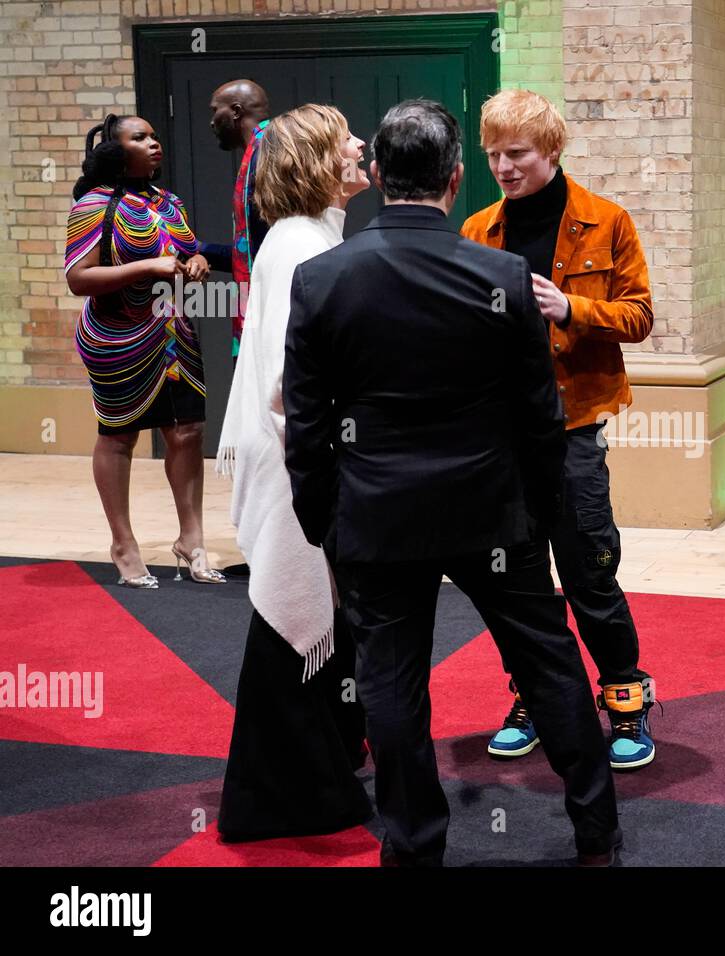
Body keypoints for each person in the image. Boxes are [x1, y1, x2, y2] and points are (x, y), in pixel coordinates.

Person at [282, 99, 621, 866]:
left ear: (374, 176)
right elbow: (540, 415)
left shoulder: (321, 278)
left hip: (376, 517)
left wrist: (324, 522)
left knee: (391, 689)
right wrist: (538, 509)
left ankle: (413, 848)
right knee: (549, 662)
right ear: (458, 176)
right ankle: (596, 831)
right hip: (493, 512)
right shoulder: (501, 274)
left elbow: (306, 423)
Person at [461, 89, 659, 771]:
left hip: (574, 428)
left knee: (590, 573)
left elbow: (639, 316)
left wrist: (569, 305)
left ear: (552, 149)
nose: (504, 167)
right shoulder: (478, 230)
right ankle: (538, 699)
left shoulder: (607, 221)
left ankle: (626, 702)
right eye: (492, 155)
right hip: (502, 436)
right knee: (518, 582)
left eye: (516, 153)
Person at [216, 105, 373, 843]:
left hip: (299, 457)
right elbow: (289, 384)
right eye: (344, 139)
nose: (360, 146)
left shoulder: (303, 237)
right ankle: (283, 796)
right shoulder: (302, 246)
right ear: (314, 161)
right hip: (296, 467)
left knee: (318, 635)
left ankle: (325, 767)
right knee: (292, 628)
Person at [64, 114, 225, 589]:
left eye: (154, 136)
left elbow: (190, 249)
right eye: (140, 138)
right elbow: (78, 277)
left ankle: (191, 540)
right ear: (115, 151)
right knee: (119, 436)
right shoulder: (93, 205)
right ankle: (123, 544)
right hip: (117, 337)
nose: (154, 144)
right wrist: (148, 266)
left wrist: (195, 260)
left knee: (188, 431)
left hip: (175, 333)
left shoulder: (167, 202)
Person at [201, 79, 271, 360]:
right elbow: (254, 253)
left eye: (214, 111)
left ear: (236, 111)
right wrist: (195, 249)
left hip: (270, 317)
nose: (211, 122)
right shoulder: (259, 151)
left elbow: (273, 249)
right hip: (258, 309)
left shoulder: (270, 153)